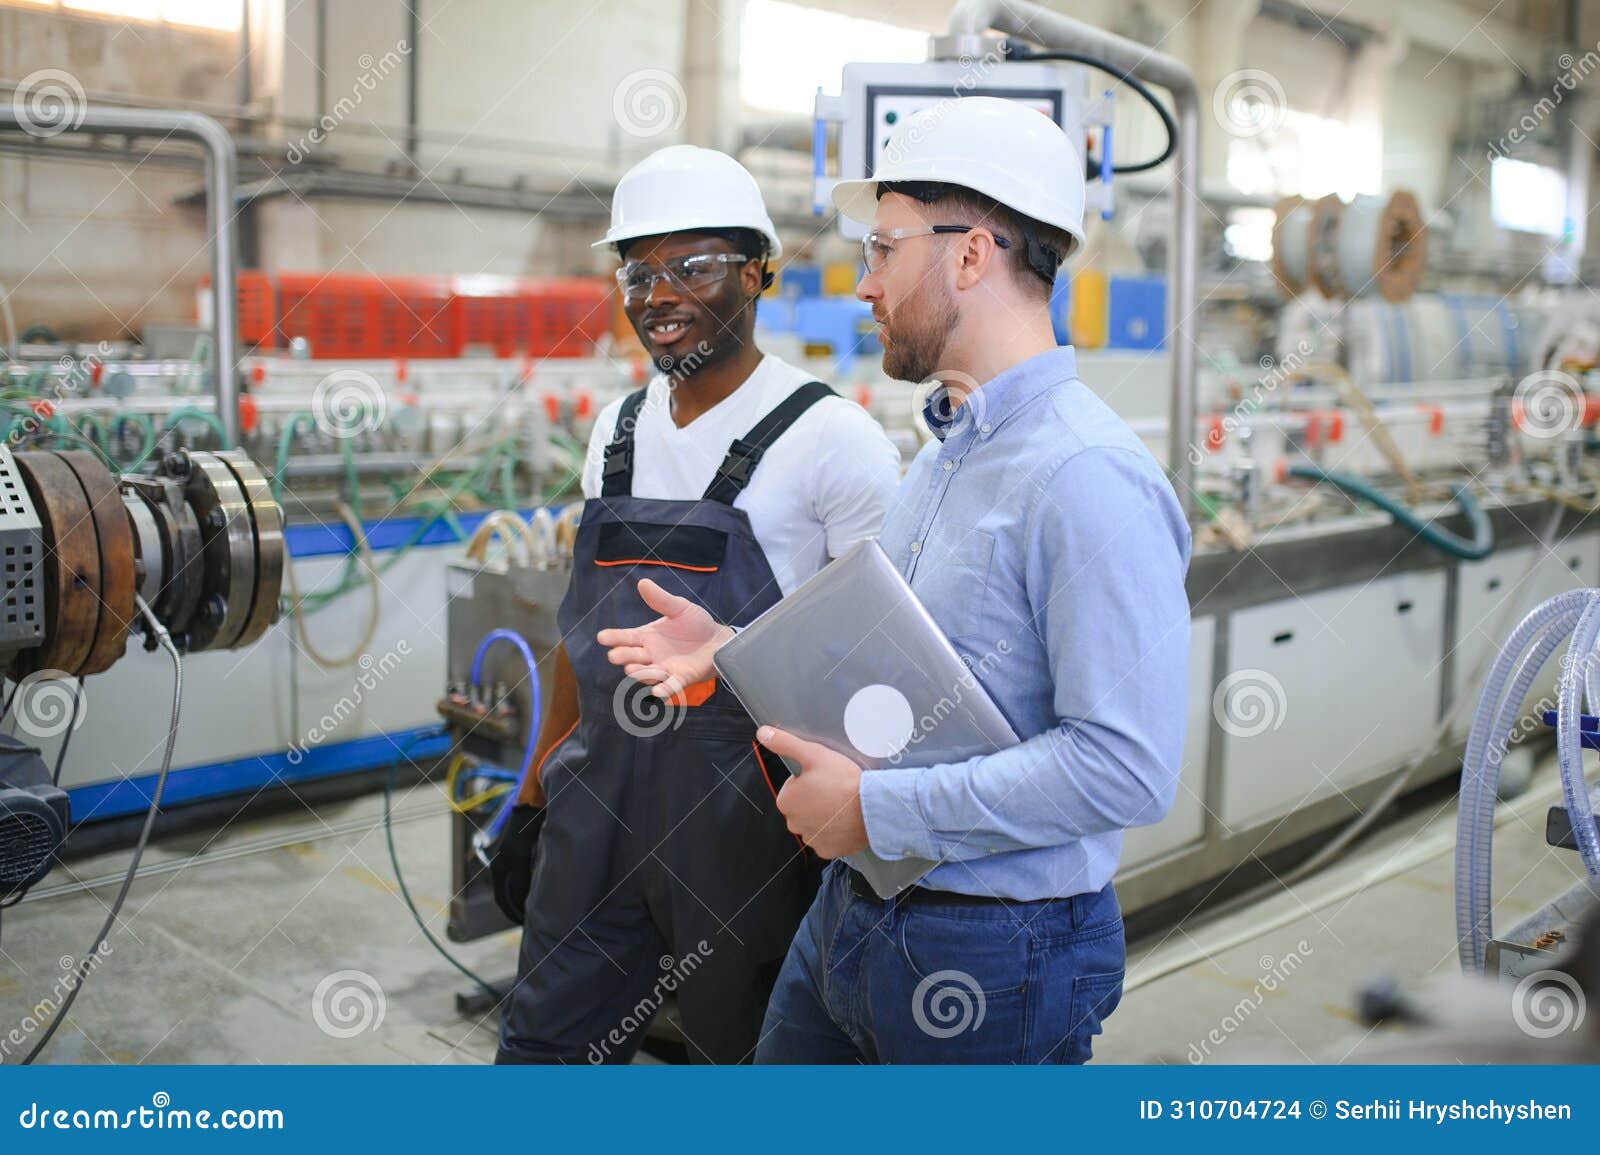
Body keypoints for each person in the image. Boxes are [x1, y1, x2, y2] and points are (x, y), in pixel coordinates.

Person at [596, 98, 1192, 1063]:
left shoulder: (1086, 476)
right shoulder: (944, 453)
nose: (864, 284)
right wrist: (730, 649)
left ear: (969, 255)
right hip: (856, 907)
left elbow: (1125, 764)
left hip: (996, 951)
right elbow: (885, 657)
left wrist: (880, 811)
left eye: (882, 248)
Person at [490, 144, 902, 1065]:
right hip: (593, 814)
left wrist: (865, 843)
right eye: (639, 271)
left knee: (753, 1067)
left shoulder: (835, 442)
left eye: (695, 266)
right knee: (539, 1054)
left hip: (748, 834)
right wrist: (528, 800)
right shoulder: (617, 429)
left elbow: (883, 669)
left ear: (760, 273)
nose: (659, 294)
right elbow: (580, 630)